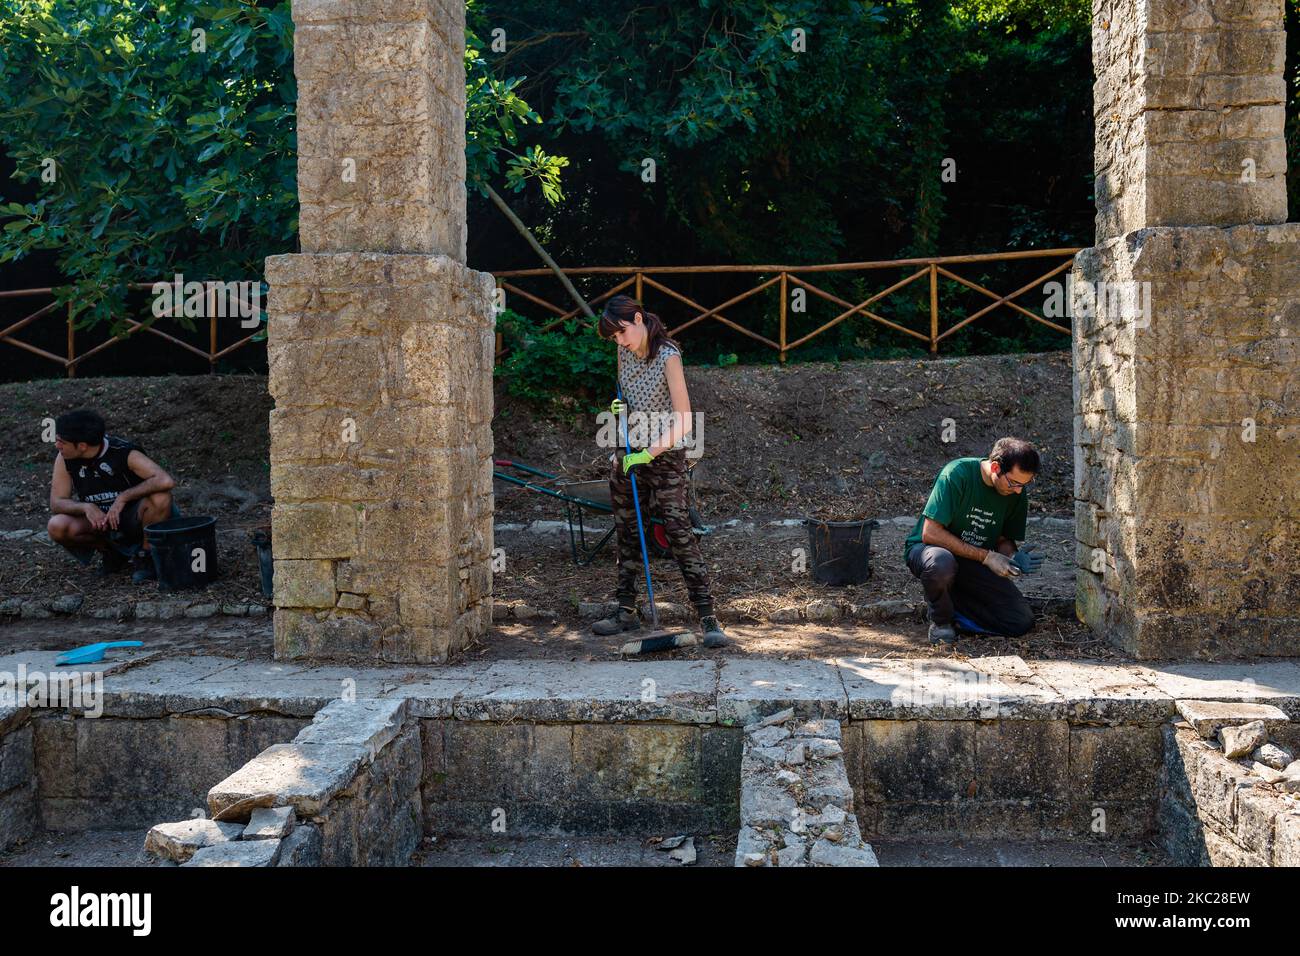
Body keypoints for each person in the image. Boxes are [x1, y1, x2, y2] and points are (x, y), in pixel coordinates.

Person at [591, 295, 728, 647]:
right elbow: (628, 398)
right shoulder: (623, 351)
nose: (620, 342)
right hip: (629, 450)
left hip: (665, 455)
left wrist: (649, 454)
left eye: (622, 332)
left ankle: (707, 615)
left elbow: (684, 418)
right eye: (614, 338)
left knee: (677, 528)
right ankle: (626, 611)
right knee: (627, 529)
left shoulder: (669, 356)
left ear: (638, 319)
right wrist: (620, 409)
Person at [903, 436, 1044, 644]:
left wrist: (1011, 556)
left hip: (974, 561)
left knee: (1020, 622)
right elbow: (930, 533)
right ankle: (941, 621)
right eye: (1014, 483)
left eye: (1025, 484)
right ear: (995, 467)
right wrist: (987, 557)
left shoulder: (1016, 493)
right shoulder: (957, 474)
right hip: (930, 551)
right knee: (942, 563)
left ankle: (957, 615)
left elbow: (1003, 539)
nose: (1018, 490)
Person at [47, 409, 177, 584]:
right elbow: (56, 502)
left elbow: (165, 480)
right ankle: (112, 553)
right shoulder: (65, 458)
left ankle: (146, 557)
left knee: (161, 497)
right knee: (57, 525)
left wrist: (123, 497)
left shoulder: (124, 452)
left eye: (61, 442)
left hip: (134, 519)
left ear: (83, 446)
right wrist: (86, 507)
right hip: (101, 522)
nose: (57, 445)